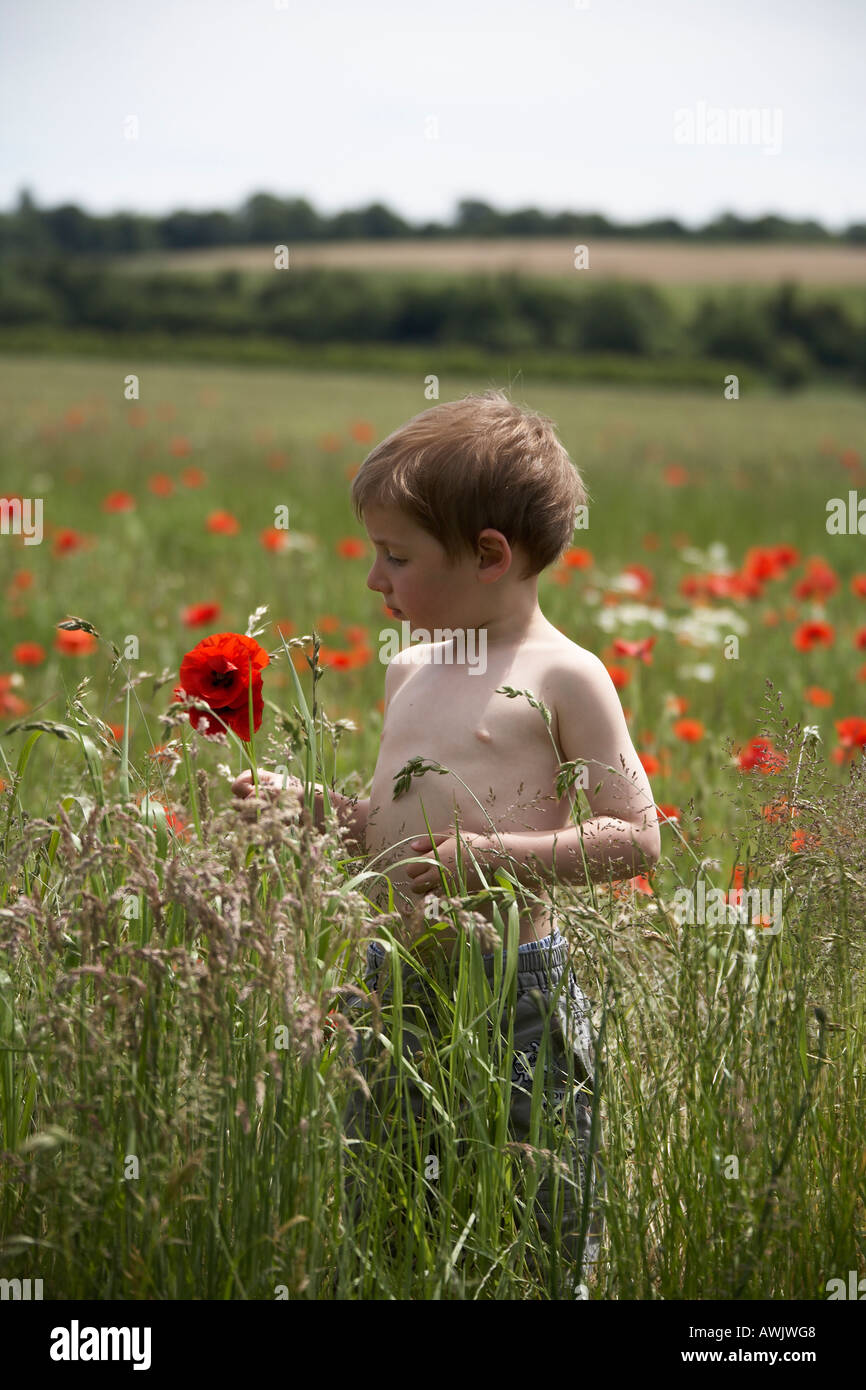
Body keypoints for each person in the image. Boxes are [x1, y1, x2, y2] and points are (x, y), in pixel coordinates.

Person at [233, 388, 660, 1294]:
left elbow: (636, 839)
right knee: (389, 1197)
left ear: (489, 556)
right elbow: (390, 837)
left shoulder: (567, 676)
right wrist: (302, 805)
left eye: (396, 556)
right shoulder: (410, 667)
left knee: (533, 1196)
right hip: (397, 981)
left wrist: (494, 859)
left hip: (517, 994)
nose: (374, 582)